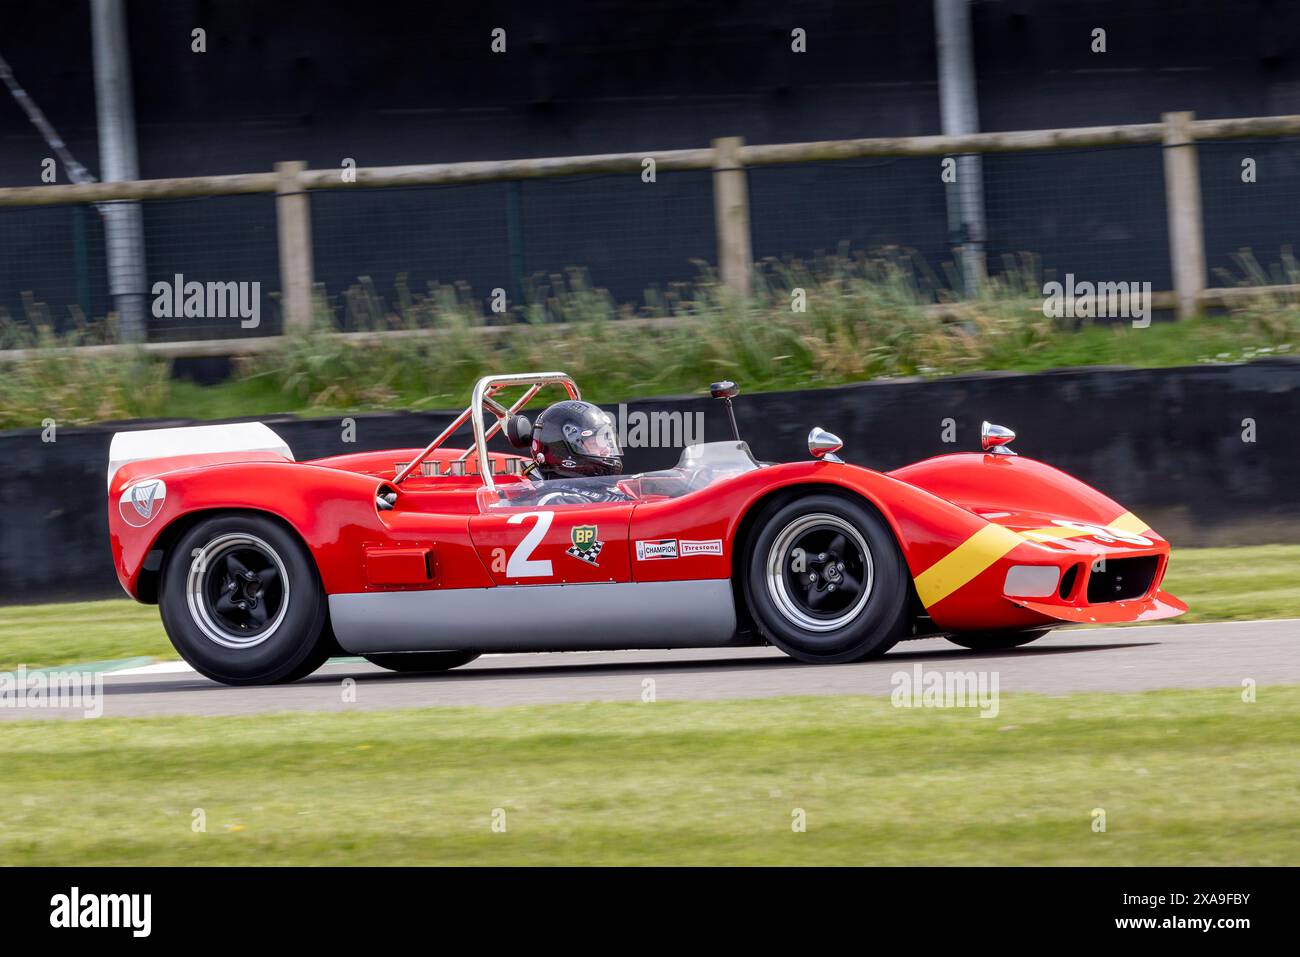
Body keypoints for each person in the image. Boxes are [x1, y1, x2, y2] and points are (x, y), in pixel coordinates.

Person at [518, 400, 633, 505]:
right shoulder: (559, 501)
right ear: (563, 451)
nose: (607, 450)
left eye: (606, 442)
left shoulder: (611, 488)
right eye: (594, 444)